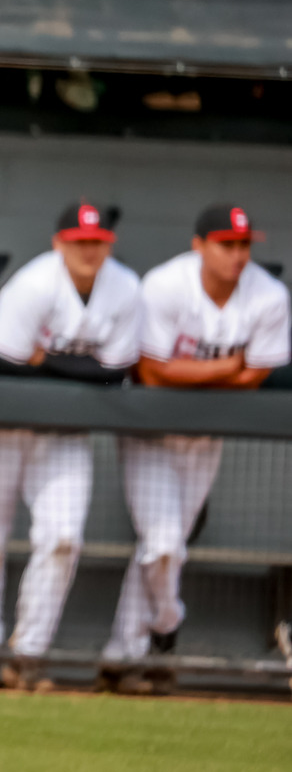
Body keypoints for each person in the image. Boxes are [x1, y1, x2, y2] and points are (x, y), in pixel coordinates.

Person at [101, 204, 290, 694]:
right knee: (163, 544)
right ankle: (166, 621)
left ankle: (125, 657)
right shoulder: (166, 285)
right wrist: (227, 368)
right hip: (151, 431)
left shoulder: (268, 296)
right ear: (199, 244)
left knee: (163, 551)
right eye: (226, 244)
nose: (237, 255)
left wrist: (199, 376)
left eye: (244, 245)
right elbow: (152, 371)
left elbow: (258, 374)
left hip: (205, 437)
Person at [0, 202, 140, 690]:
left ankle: (29, 655)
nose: (90, 249)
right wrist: (78, 369)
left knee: (62, 537)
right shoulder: (33, 285)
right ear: (59, 242)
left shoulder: (125, 288)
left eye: (97, 241)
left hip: (63, 430)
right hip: (3, 423)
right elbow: (10, 363)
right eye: (80, 241)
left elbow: (116, 374)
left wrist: (49, 360)